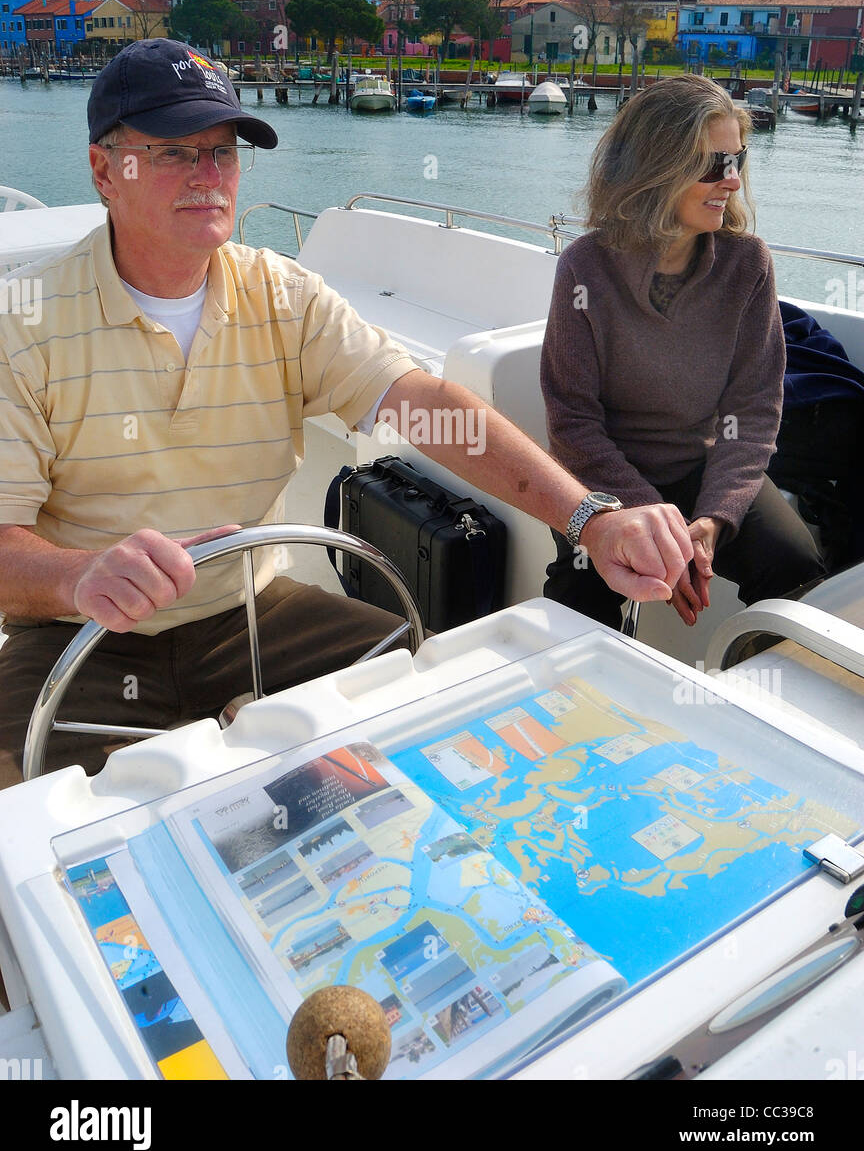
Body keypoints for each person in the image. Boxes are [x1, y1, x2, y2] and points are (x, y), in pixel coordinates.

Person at [0, 39, 693, 788]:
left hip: (251, 610)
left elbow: (427, 407)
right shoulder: (23, 323)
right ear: (106, 170)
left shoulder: (284, 295)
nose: (209, 177)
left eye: (224, 153)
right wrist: (81, 577)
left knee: (431, 713)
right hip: (81, 634)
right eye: (174, 152)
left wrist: (589, 515)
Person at [541, 74, 825, 631]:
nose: (733, 182)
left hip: (705, 468)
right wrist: (655, 525)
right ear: (655, 168)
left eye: (737, 160)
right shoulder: (584, 268)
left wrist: (714, 520)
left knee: (796, 571)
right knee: (579, 598)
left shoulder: (748, 266)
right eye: (713, 164)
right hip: (603, 477)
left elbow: (753, 408)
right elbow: (573, 422)